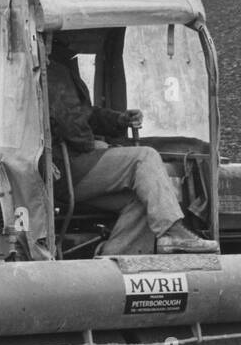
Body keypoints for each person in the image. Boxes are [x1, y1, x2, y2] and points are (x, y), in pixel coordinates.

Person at [46, 39, 216, 255]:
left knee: (144, 200)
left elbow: (82, 114)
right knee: (144, 157)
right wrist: (95, 146)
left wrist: (119, 120)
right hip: (66, 168)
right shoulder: (53, 73)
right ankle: (173, 232)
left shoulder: (55, 70)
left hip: (64, 170)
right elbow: (70, 123)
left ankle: (113, 262)